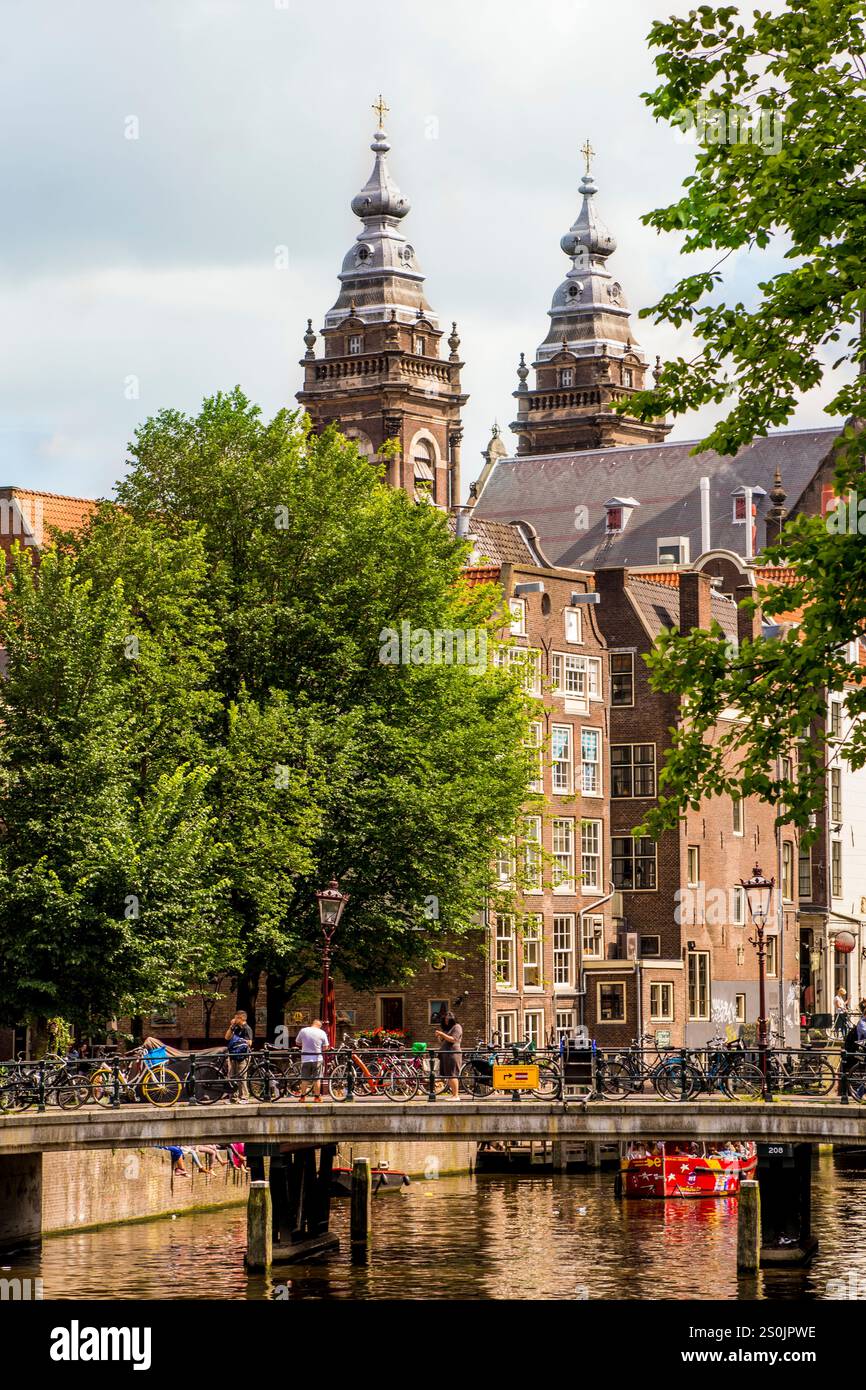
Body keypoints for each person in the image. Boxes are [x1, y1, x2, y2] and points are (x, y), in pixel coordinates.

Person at [295, 1018, 330, 1101]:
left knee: (304, 1079)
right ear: (319, 1025)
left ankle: (302, 1097)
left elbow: (297, 1043)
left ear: (313, 1023)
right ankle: (317, 1097)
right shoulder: (322, 1032)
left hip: (305, 1058)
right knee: (317, 1078)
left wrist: (305, 1044)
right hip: (317, 1058)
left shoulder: (303, 1031)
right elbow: (325, 1047)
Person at [224, 1011, 253, 1103]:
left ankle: (244, 1097)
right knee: (232, 1076)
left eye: (236, 1018)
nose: (234, 1019)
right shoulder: (235, 1028)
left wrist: (238, 1041)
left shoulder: (247, 1029)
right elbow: (227, 1037)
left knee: (241, 1076)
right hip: (233, 1055)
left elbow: (249, 1043)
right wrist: (231, 1027)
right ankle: (233, 1098)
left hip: (243, 1056)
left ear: (242, 1018)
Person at [434, 1012, 463, 1099]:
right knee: (449, 1075)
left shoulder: (457, 1027)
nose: (446, 1021)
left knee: (453, 1074)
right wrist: (439, 1036)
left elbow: (454, 1039)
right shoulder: (448, 1029)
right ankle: (454, 1095)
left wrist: (442, 1034)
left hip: (453, 1054)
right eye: (445, 1019)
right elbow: (443, 1041)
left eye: (448, 1019)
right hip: (446, 1054)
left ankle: (456, 1095)